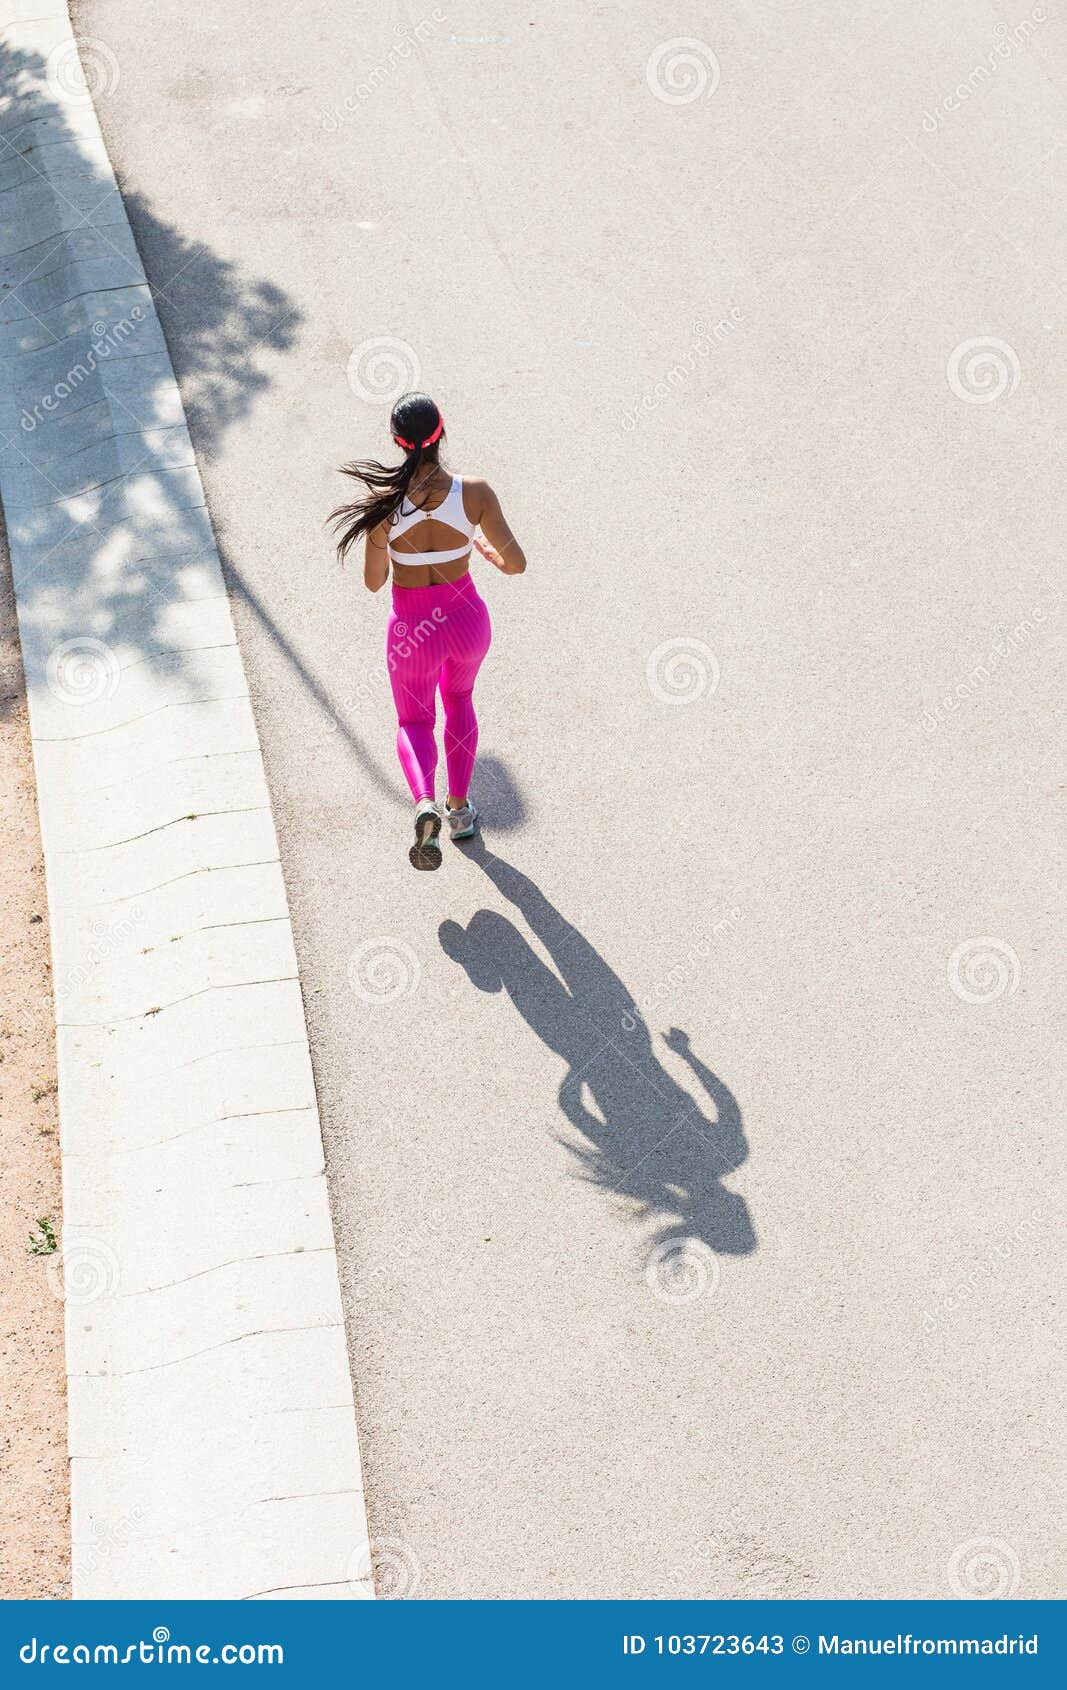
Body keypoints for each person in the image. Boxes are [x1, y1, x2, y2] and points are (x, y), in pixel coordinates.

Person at [331, 393, 527, 869]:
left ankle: (425, 802)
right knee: (460, 701)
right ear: (442, 431)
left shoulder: (383, 507)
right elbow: (516, 565)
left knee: (415, 721)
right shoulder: (475, 492)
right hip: (466, 621)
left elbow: (374, 582)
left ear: (398, 442)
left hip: (412, 629)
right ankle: (459, 811)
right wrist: (487, 554)